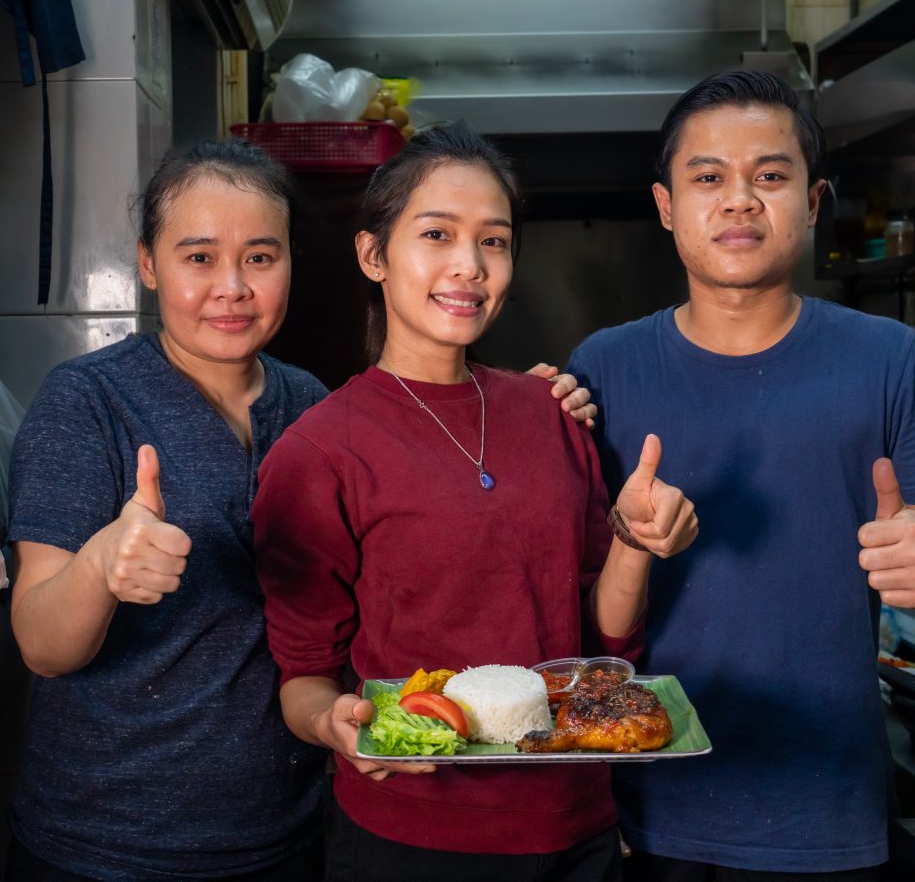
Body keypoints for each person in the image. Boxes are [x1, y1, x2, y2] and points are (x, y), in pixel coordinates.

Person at [3, 139, 599, 882]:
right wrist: (99, 566)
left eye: (260, 256)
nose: (232, 286)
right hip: (111, 838)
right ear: (148, 264)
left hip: (286, 825)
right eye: (197, 258)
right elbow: (41, 644)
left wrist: (533, 410)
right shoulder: (86, 402)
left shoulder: (311, 407)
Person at [566, 71, 915, 881]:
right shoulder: (601, 369)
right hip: (642, 806)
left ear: (811, 202)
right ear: (666, 206)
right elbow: (565, 600)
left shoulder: (885, 360)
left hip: (825, 807)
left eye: (768, 176)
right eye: (707, 178)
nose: (738, 200)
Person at [251, 123, 699, 882]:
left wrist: (633, 541)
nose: (468, 265)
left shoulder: (552, 412)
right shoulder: (319, 447)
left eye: (493, 242)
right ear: (372, 255)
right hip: (409, 837)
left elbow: (599, 640)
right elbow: (303, 675)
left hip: (574, 824)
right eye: (436, 234)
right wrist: (332, 724)